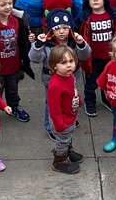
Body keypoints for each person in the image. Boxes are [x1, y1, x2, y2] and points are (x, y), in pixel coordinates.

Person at [30, 9, 91, 139]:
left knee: (69, 99)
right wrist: (39, 44)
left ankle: (69, 118)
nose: (61, 31)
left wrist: (81, 43)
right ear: (51, 30)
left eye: (65, 28)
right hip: (51, 81)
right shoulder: (47, 44)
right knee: (51, 103)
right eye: (57, 28)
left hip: (70, 78)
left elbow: (85, 55)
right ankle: (50, 126)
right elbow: (34, 58)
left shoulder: (73, 42)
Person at [77, 0, 116, 117]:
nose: (95, 0)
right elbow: (74, 27)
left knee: (109, 81)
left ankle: (106, 99)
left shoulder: (114, 14)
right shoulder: (84, 17)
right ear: (87, 0)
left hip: (110, 57)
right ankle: (90, 102)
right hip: (92, 58)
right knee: (91, 83)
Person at [46, 44, 85, 174]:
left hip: (70, 115)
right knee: (62, 140)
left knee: (68, 136)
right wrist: (59, 124)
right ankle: (60, 161)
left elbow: (73, 90)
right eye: (63, 63)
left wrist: (78, 99)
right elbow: (54, 108)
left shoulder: (70, 76)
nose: (69, 65)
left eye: (71, 61)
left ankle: (68, 150)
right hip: (61, 120)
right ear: (54, 65)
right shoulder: (55, 85)